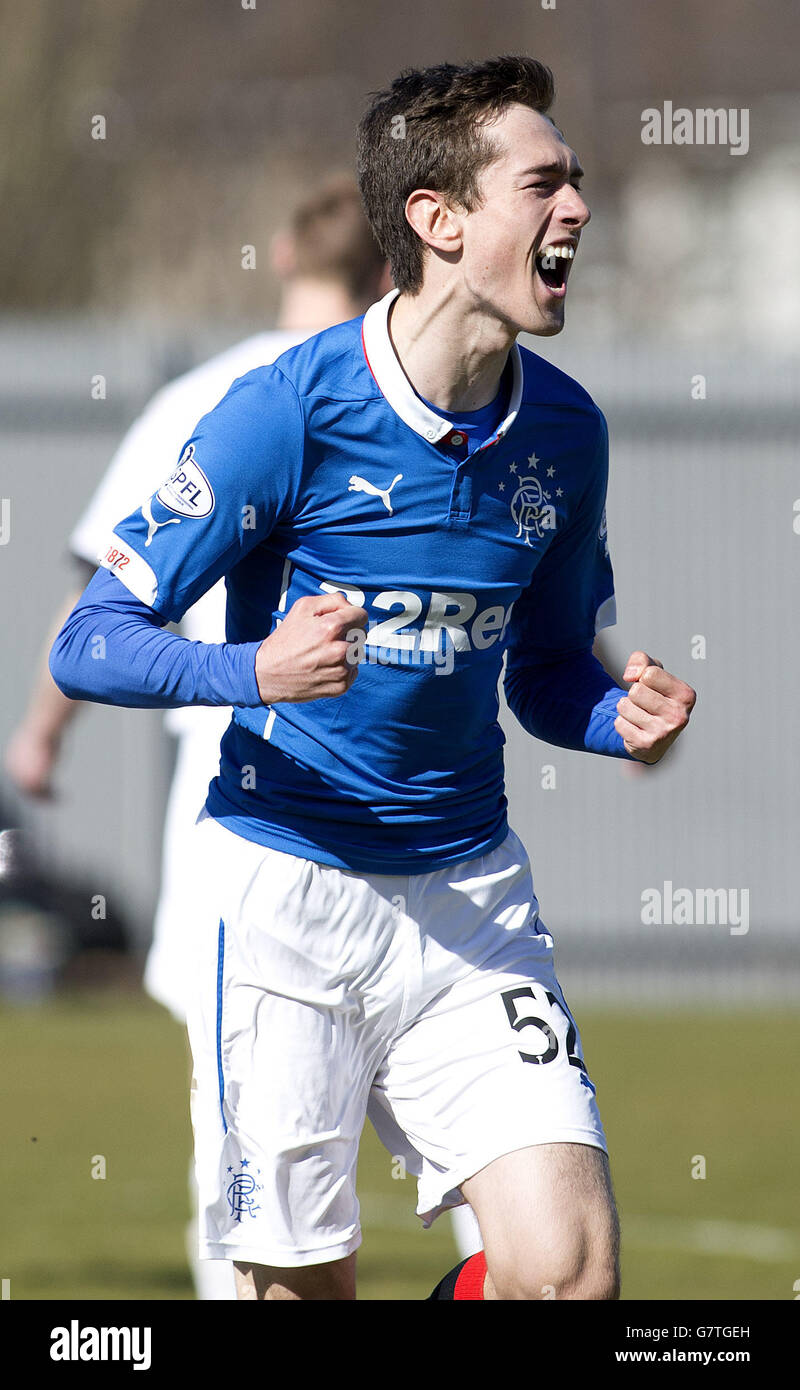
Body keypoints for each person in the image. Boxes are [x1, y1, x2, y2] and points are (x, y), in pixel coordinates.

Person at [49, 55, 696, 1301]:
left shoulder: (566, 435)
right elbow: (91, 637)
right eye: (543, 183)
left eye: (577, 183)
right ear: (437, 220)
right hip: (287, 897)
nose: (576, 209)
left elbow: (549, 668)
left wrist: (621, 718)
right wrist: (254, 668)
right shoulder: (283, 410)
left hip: (470, 899)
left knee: (565, 1273)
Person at [8, 174, 388, 1298]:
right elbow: (108, 610)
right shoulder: (360, 396)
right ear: (390, 269)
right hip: (367, 788)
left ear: (280, 254)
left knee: (238, 1098)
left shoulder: (194, 396)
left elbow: (93, 593)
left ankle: (239, 1271)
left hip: (238, 792)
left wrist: (40, 738)